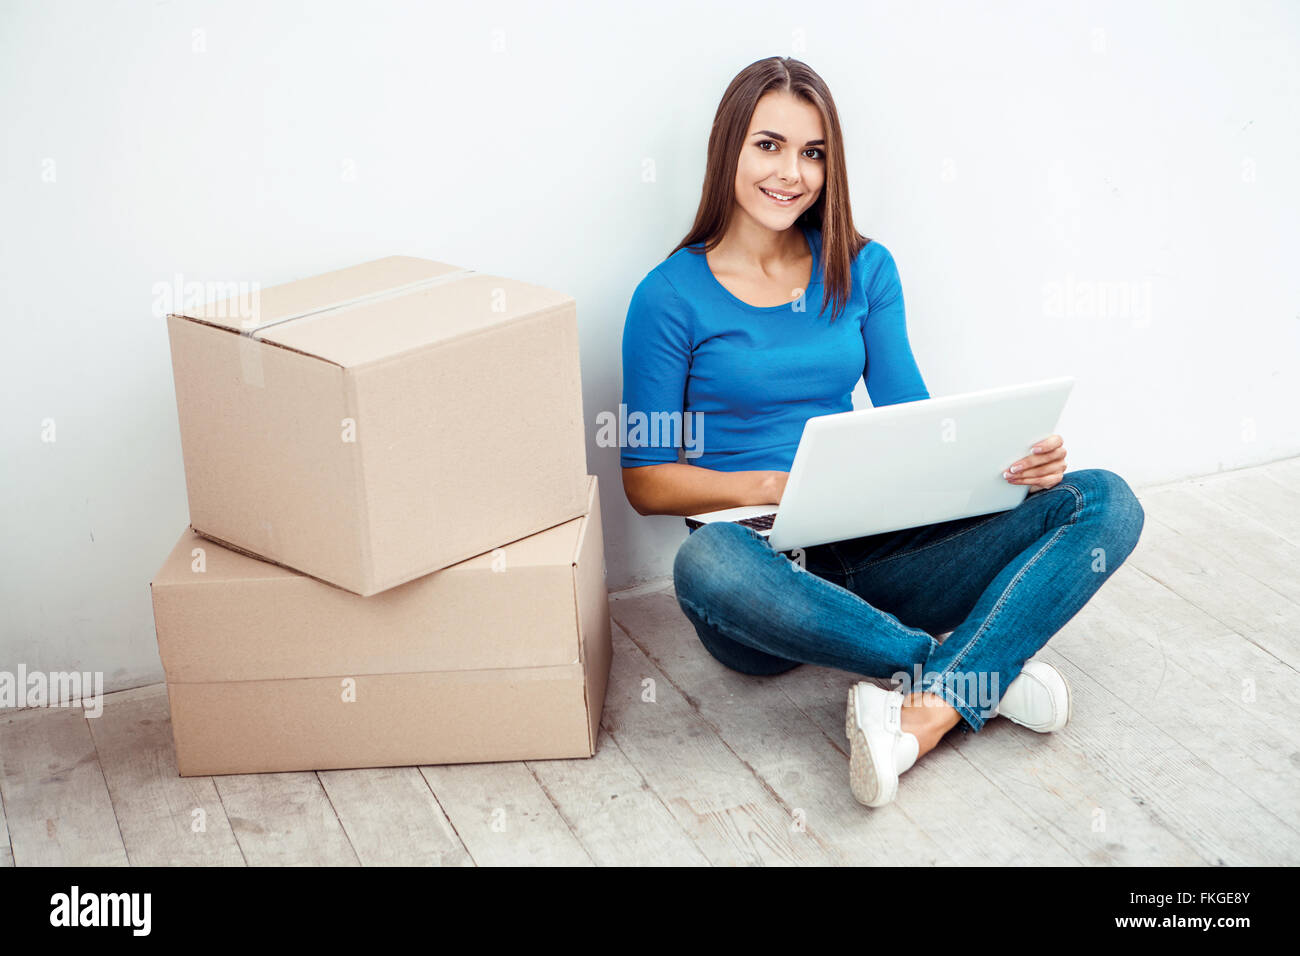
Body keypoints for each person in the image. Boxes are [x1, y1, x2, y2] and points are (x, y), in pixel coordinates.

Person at [619, 56, 1145, 808]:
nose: (791, 173)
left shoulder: (864, 269)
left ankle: (924, 713)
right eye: (769, 145)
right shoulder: (667, 297)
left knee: (1105, 501)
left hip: (877, 552)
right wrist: (774, 487)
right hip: (763, 581)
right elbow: (645, 480)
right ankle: (975, 676)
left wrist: (1011, 463)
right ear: (727, 148)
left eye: (813, 153)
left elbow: (919, 426)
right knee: (704, 564)